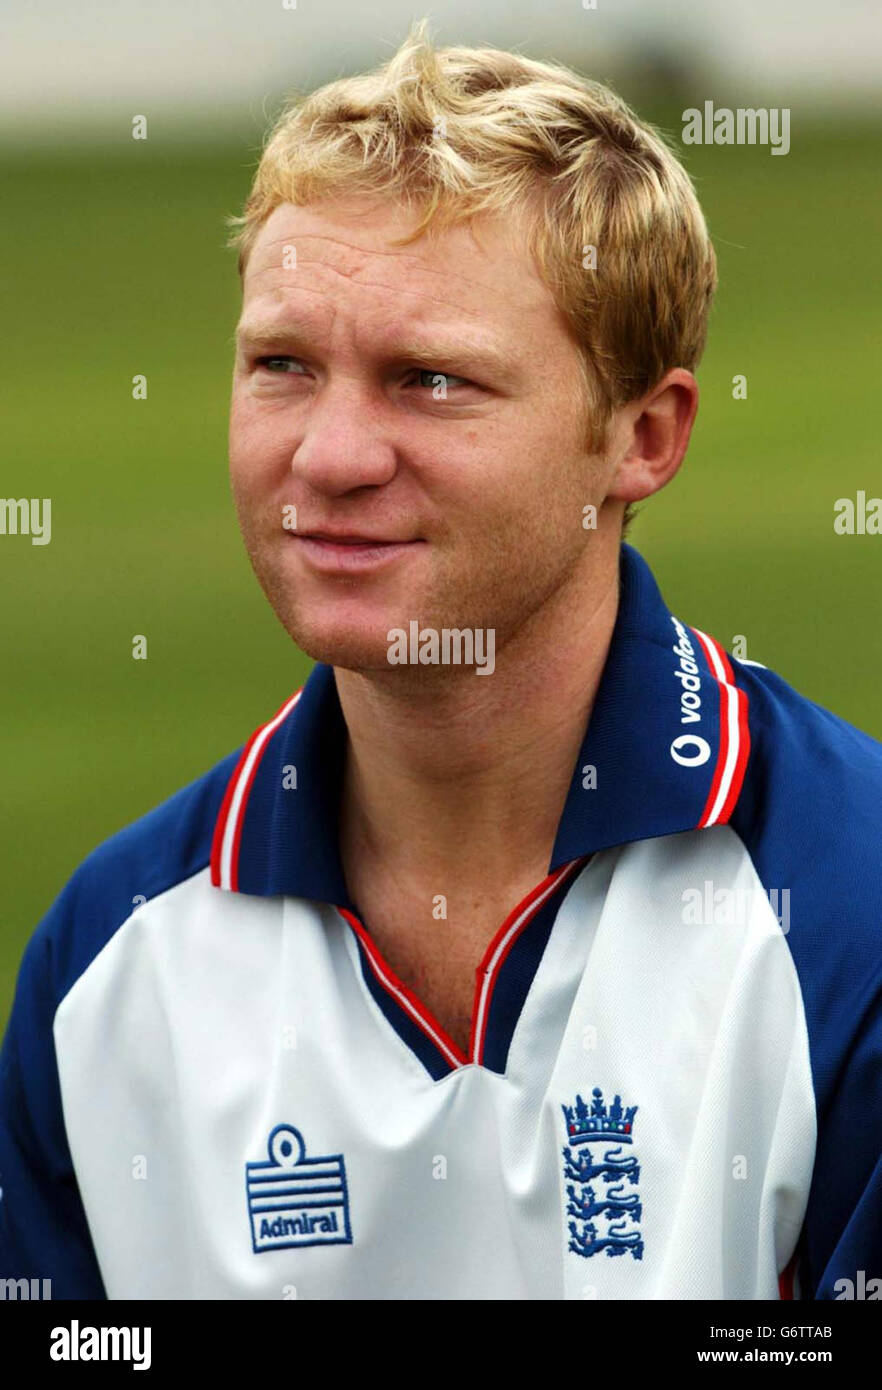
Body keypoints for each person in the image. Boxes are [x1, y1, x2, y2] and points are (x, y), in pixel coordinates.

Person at [1, 21, 880, 1301]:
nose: (331, 456)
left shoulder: (845, 914)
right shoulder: (110, 957)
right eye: (283, 365)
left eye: (431, 380)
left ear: (642, 436)